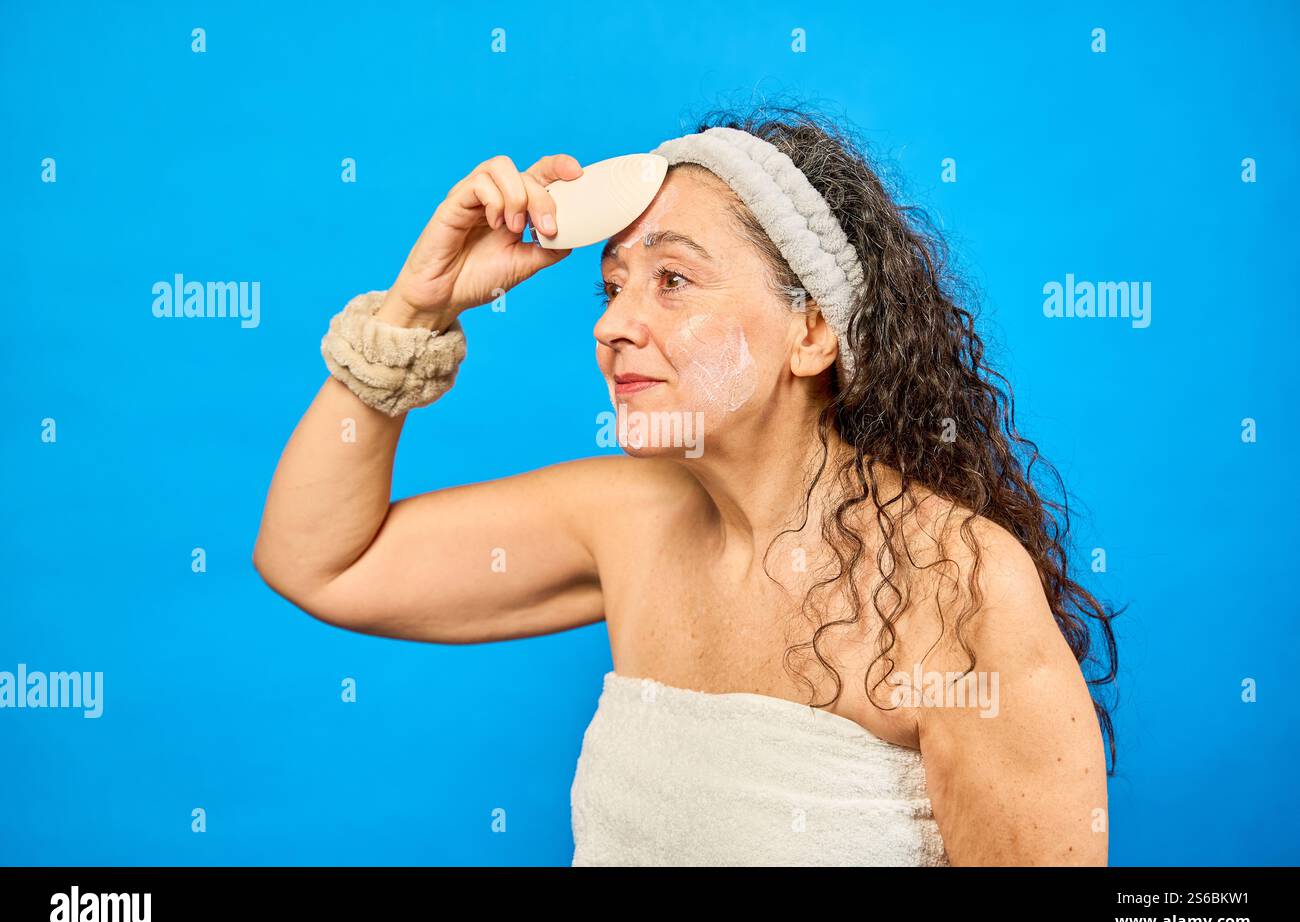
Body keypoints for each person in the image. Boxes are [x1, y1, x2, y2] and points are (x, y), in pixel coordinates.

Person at [253, 104, 1118, 866]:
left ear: (812, 333)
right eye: (613, 286)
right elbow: (319, 562)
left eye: (672, 281)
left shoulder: (958, 589)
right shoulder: (629, 519)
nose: (613, 325)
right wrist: (417, 308)